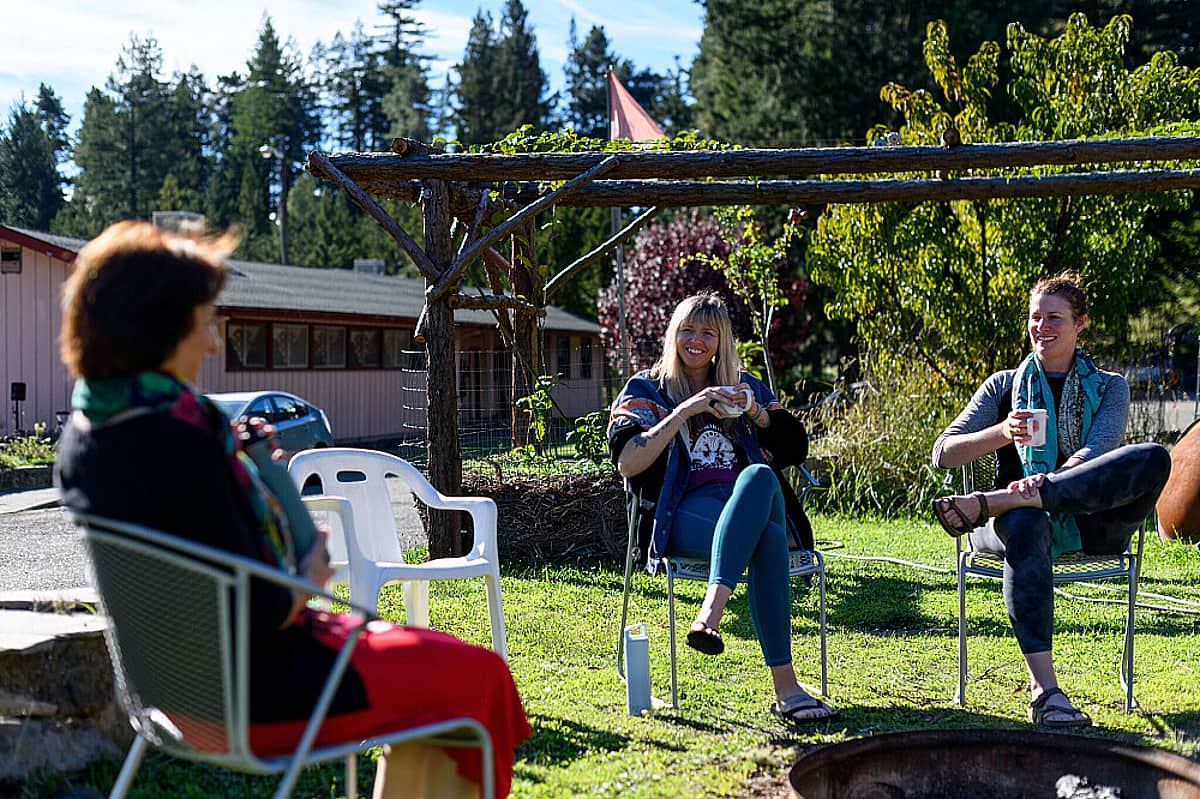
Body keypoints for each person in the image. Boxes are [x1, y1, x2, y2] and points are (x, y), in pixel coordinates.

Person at [54, 221, 531, 799]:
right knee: (478, 676)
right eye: (204, 323)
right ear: (158, 325)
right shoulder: (184, 441)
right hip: (265, 693)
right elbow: (264, 605)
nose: (211, 344)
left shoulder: (87, 436)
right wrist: (309, 574)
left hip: (172, 695)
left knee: (450, 668)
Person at [931, 272, 1171, 728]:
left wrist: (1036, 487)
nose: (1042, 327)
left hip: (1092, 521)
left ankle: (998, 499)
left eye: (1055, 318)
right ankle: (1046, 692)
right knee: (1027, 522)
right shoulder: (1003, 385)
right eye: (1035, 317)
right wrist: (1002, 432)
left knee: (1154, 457)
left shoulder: (1110, 387)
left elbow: (1098, 454)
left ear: (1080, 323)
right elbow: (943, 452)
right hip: (1013, 530)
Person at [607, 293, 835, 724]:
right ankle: (786, 689)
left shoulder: (744, 385)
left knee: (760, 478)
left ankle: (711, 612)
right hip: (682, 516)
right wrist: (686, 410)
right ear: (674, 334)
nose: (696, 341)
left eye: (708, 333)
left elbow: (795, 448)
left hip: (741, 505)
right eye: (688, 330)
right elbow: (628, 462)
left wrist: (754, 411)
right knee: (767, 537)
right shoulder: (646, 388)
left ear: (722, 341)